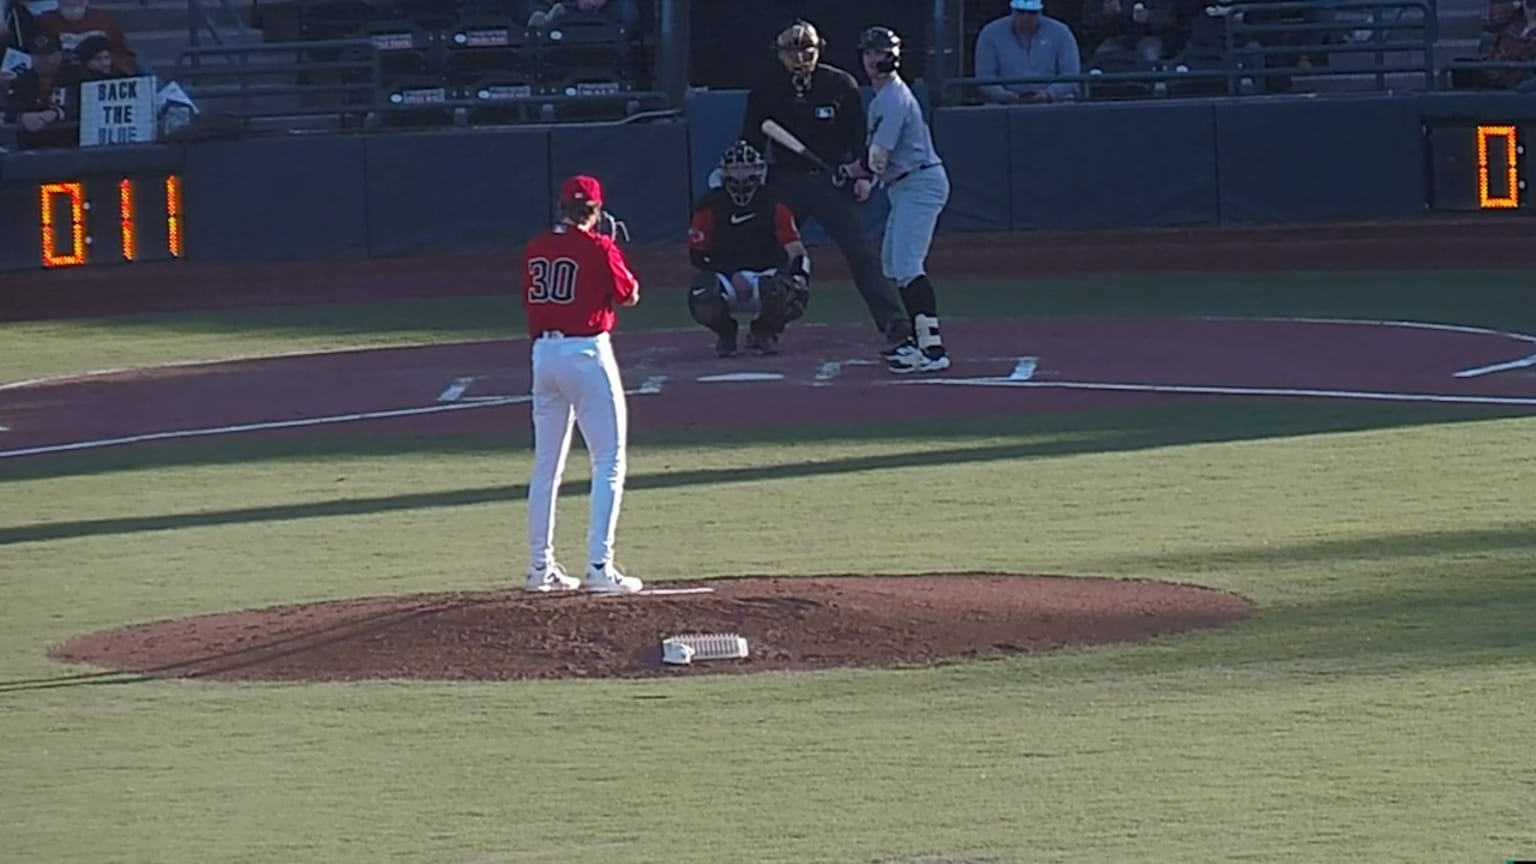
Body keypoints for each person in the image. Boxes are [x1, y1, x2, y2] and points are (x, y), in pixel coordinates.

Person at [739, 19, 914, 361]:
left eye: (808, 48)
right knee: (776, 253)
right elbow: (752, 139)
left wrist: (862, 176)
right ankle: (766, 329)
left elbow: (856, 136)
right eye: (793, 49)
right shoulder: (766, 87)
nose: (801, 55)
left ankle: (893, 322)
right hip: (785, 178)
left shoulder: (839, 84)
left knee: (859, 251)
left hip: (830, 179)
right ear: (780, 53)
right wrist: (754, 178)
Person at [520, 174, 644, 595]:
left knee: (546, 467)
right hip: (586, 354)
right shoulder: (599, 246)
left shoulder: (536, 246)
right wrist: (608, 250)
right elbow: (629, 294)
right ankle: (598, 566)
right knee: (608, 461)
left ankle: (540, 568)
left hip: (543, 356)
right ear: (596, 210)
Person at [841, 26, 951, 374]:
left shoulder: (893, 99)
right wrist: (866, 182)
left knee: (906, 266)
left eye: (882, 52)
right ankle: (917, 342)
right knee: (894, 263)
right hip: (903, 185)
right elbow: (879, 163)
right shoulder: (882, 98)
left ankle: (932, 348)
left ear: (896, 55)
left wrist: (850, 172)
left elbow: (876, 158)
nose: (876, 59)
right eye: (871, 53)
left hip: (920, 182)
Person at [687, 140, 813, 358]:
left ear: (759, 170)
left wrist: (799, 275)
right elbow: (697, 255)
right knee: (702, 294)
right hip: (725, 277)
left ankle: (764, 331)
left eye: (746, 167)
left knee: (786, 291)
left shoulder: (775, 202)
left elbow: (795, 249)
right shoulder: (709, 204)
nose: (741, 174)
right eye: (735, 168)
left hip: (766, 275)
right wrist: (733, 274)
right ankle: (726, 333)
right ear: (724, 172)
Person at [973, 0, 1083, 103]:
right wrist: (1005, 96)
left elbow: (1071, 75)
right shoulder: (990, 33)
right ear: (1012, 11)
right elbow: (985, 77)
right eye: (1020, 12)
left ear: (1040, 12)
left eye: (1032, 13)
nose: (1026, 17)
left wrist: (1050, 94)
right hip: (1003, 105)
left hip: (1055, 103)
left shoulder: (1061, 32)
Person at [3, 31, 81, 151]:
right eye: (37, 55)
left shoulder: (76, 75)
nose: (43, 60)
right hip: (31, 146)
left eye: (48, 55)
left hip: (69, 145)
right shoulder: (22, 79)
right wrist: (22, 117)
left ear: (59, 55)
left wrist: (56, 113)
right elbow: (10, 109)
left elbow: (83, 104)